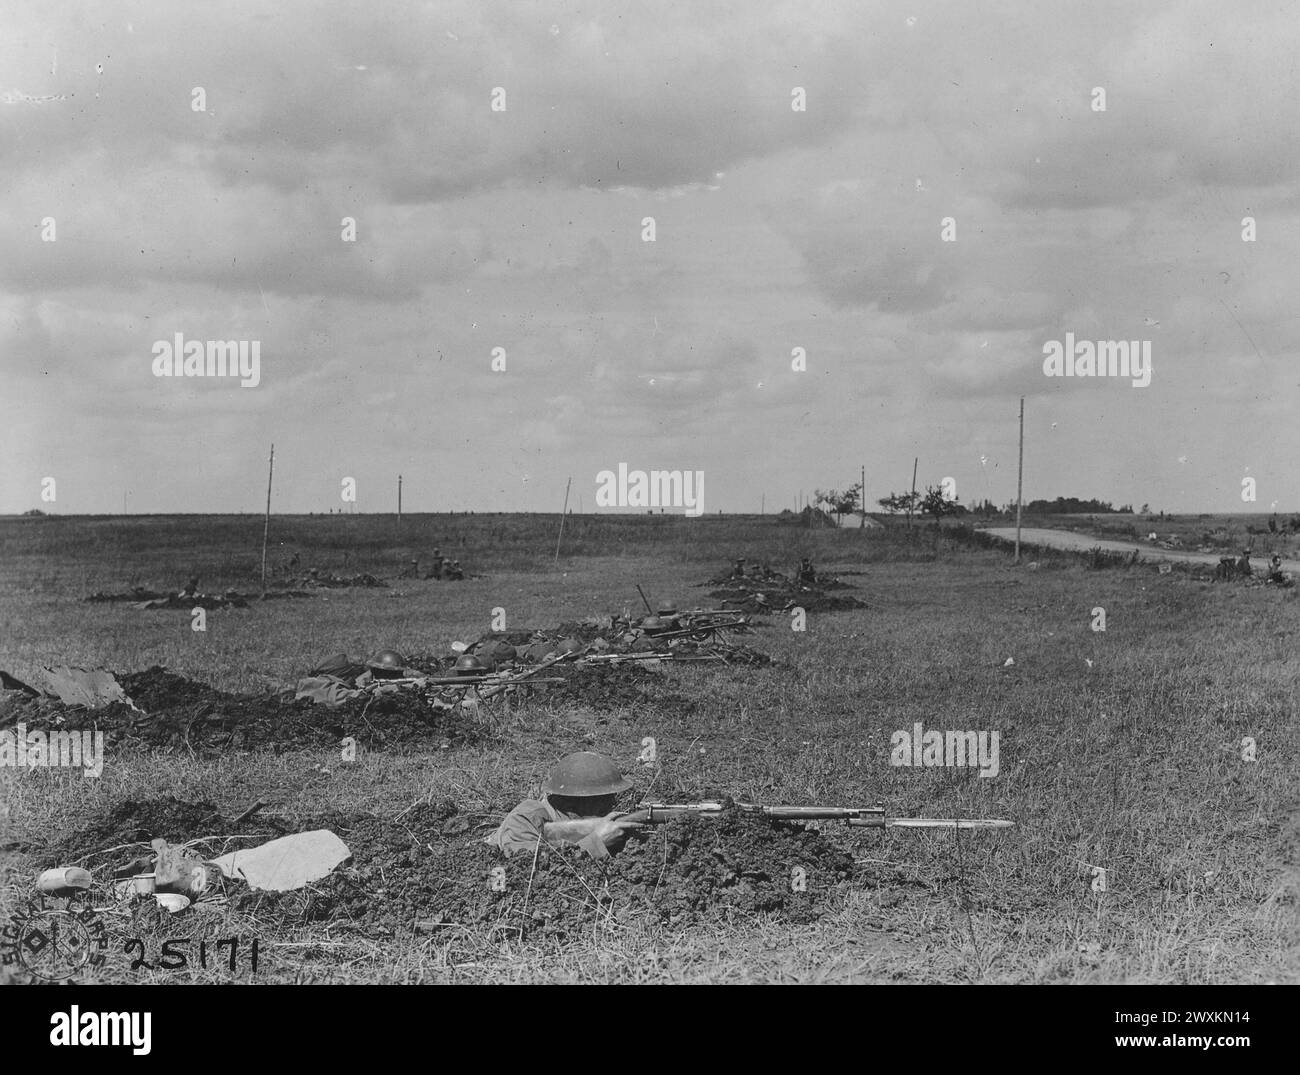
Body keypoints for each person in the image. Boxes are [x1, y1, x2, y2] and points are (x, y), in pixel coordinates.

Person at [487, 752, 641, 860]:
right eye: (604, 799)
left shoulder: (571, 821)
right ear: (574, 803)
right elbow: (532, 868)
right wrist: (596, 843)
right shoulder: (525, 819)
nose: (612, 803)